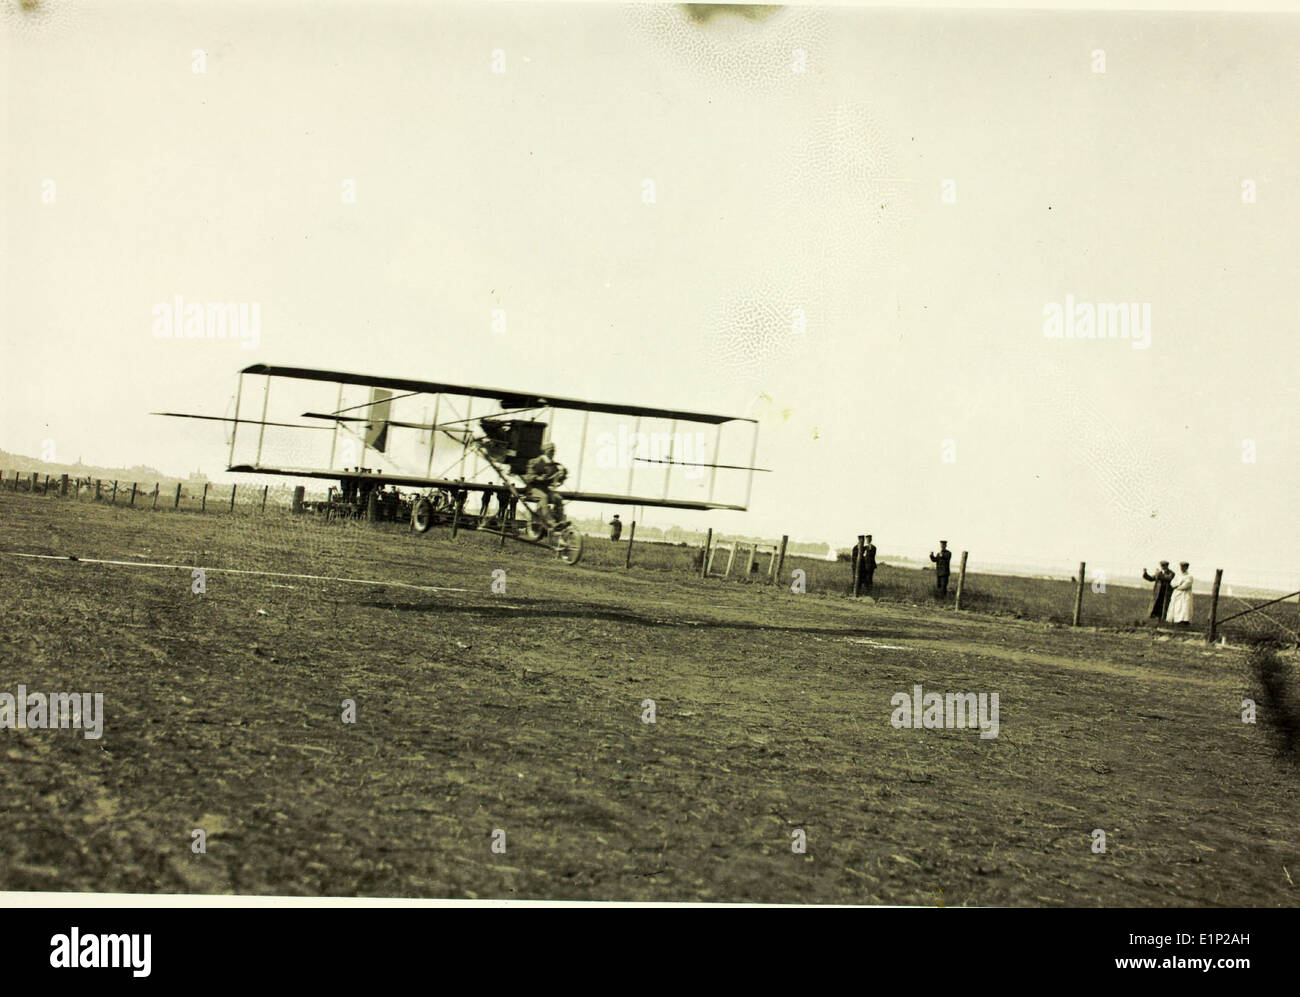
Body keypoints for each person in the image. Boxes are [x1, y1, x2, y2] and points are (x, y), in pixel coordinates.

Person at [523, 442, 568, 529]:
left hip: (545, 489)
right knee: (544, 497)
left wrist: (562, 475)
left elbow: (560, 477)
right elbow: (528, 477)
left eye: (554, 451)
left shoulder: (554, 465)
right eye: (551, 451)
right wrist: (539, 478)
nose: (553, 453)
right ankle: (551, 522)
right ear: (545, 451)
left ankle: (560, 521)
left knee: (558, 498)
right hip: (533, 489)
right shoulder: (535, 462)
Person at [1166, 562, 1193, 626]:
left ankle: (1184, 621)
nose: (1182, 568)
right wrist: (1178, 584)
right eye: (1181, 567)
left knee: (1184, 607)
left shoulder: (1189, 576)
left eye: (1184, 567)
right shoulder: (1177, 575)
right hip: (1176, 593)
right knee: (1176, 606)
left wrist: (1178, 586)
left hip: (1185, 594)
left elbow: (1186, 585)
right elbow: (1172, 583)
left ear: (1187, 568)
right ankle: (1176, 620)